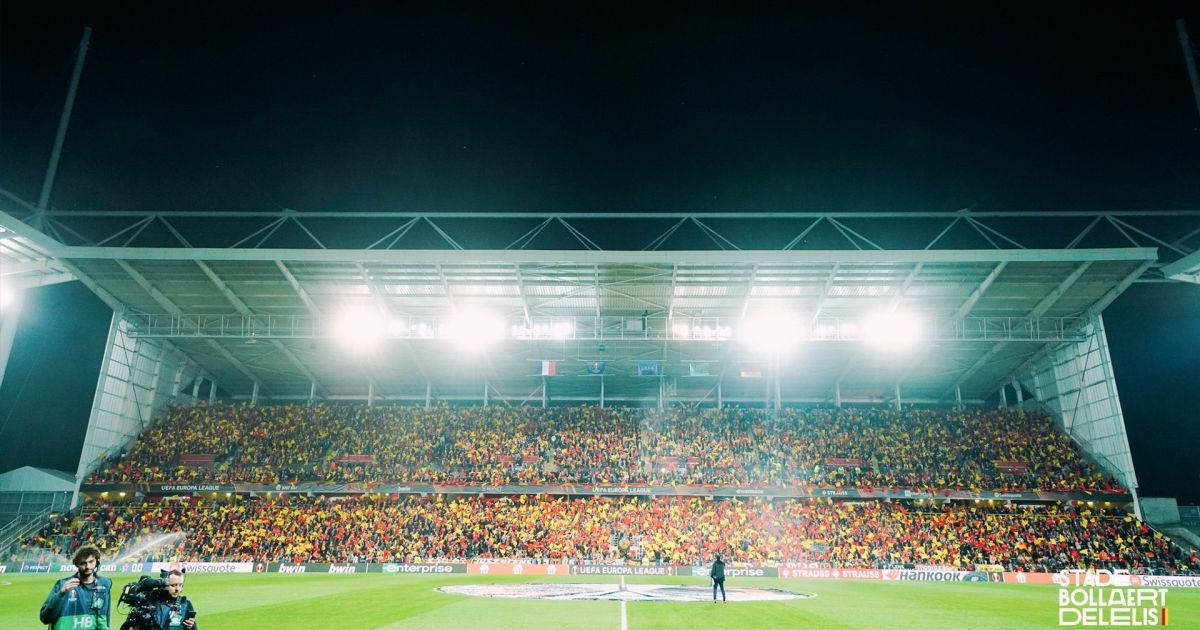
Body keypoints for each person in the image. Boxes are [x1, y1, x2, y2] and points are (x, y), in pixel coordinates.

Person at [40, 544, 113, 629]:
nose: (88, 566)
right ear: (77, 564)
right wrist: (61, 594)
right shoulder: (63, 584)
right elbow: (45, 618)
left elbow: (105, 618)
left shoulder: (104, 585)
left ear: (97, 562)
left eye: (91, 562)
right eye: (83, 563)